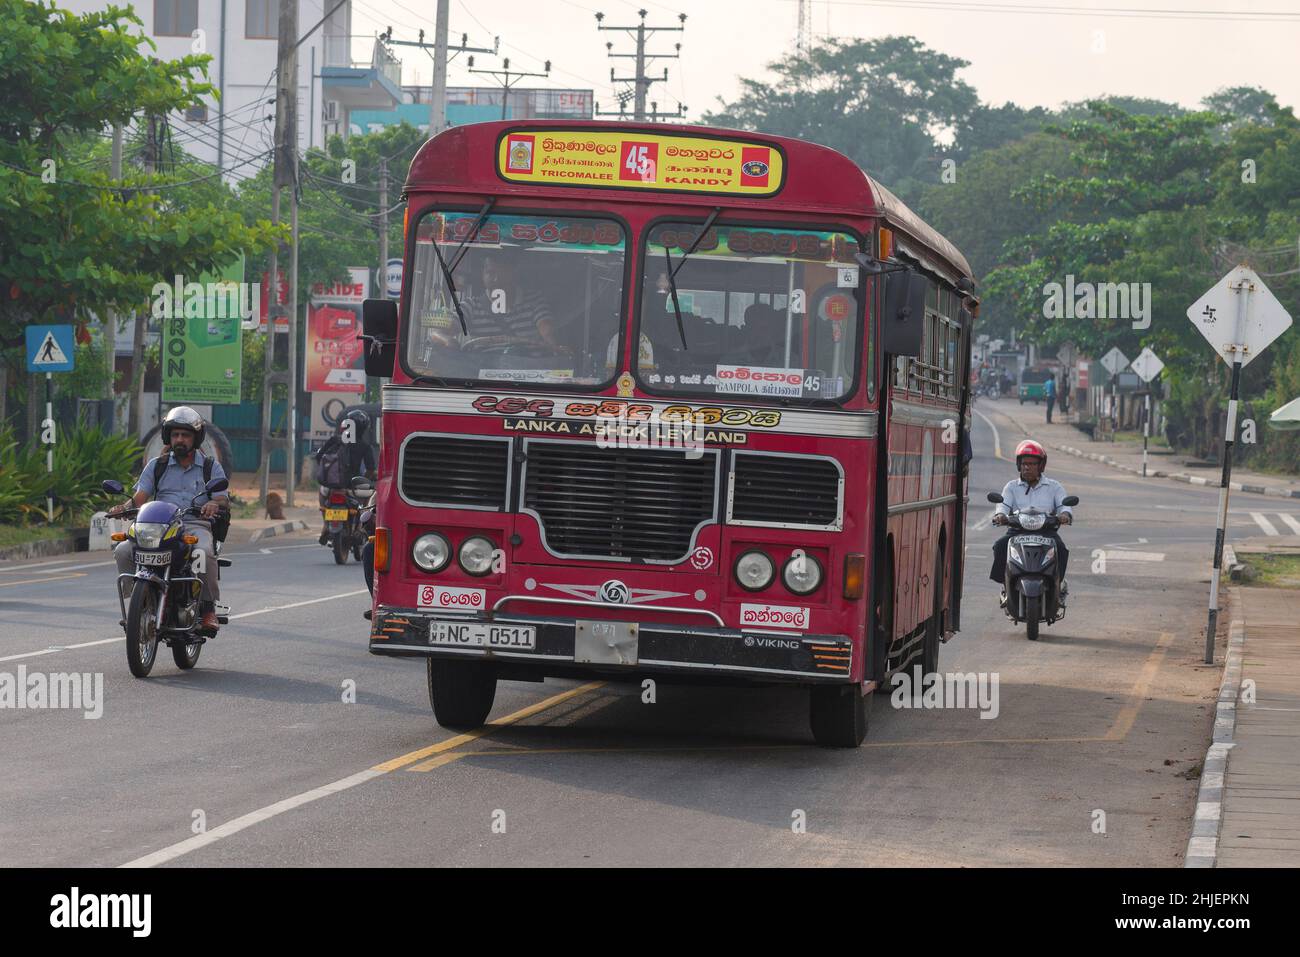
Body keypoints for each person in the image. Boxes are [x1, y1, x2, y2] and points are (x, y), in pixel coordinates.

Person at [107, 406, 228, 634]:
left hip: (194, 523)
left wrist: (214, 503)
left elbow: (222, 499)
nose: (179, 439)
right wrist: (122, 507)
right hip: (159, 525)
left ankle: (208, 607)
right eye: (175, 435)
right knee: (123, 550)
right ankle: (137, 601)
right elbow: (139, 498)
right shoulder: (157, 465)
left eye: (185, 435)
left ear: (196, 438)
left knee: (202, 552)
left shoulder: (211, 467)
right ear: (168, 437)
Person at [988, 439, 1073, 603]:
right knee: (1000, 546)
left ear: (1041, 466)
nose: (1027, 467)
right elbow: (1003, 506)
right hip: (1017, 531)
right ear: (1019, 465)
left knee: (1061, 549)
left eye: (1032, 464)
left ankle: (1059, 584)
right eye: (1024, 463)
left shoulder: (1054, 487)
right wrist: (1000, 516)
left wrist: (1065, 515)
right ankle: (1005, 584)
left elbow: (1064, 506)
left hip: (1046, 532)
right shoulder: (1011, 487)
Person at [464, 255, 561, 350]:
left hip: (527, 365)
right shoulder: (470, 306)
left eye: (503, 273)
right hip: (481, 365)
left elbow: (546, 329)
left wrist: (553, 345)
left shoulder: (534, 300)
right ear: (483, 275)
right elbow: (450, 325)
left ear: (513, 274)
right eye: (491, 273)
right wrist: (448, 336)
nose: (496, 279)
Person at [316, 409, 377, 545]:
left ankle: (325, 525)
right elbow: (371, 469)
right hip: (353, 487)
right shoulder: (365, 446)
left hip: (331, 486)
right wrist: (366, 479)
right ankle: (361, 528)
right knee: (370, 496)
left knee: (322, 491)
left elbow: (319, 457)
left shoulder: (335, 440)